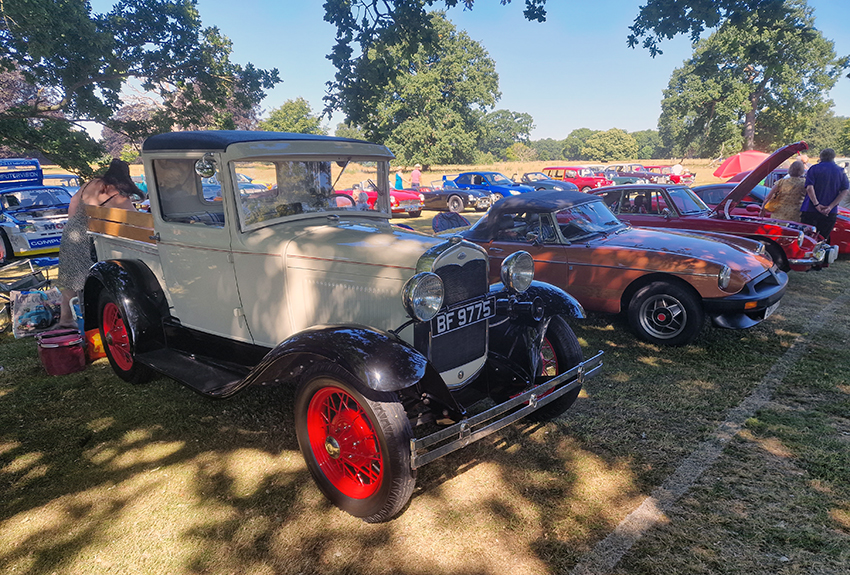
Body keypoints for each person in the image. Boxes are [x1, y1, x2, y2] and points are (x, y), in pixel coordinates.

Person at [56, 159, 142, 327]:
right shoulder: (117, 192)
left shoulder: (91, 183)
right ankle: (88, 323)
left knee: (70, 278)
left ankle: (66, 319)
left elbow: (73, 205)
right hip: (87, 238)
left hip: (71, 232)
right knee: (86, 280)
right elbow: (133, 217)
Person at [800, 148, 850, 242]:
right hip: (830, 212)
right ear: (833, 157)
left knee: (807, 240)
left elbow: (809, 188)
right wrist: (830, 207)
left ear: (820, 157)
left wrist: (817, 204)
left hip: (810, 209)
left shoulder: (814, 169)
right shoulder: (841, 171)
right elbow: (845, 191)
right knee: (822, 239)